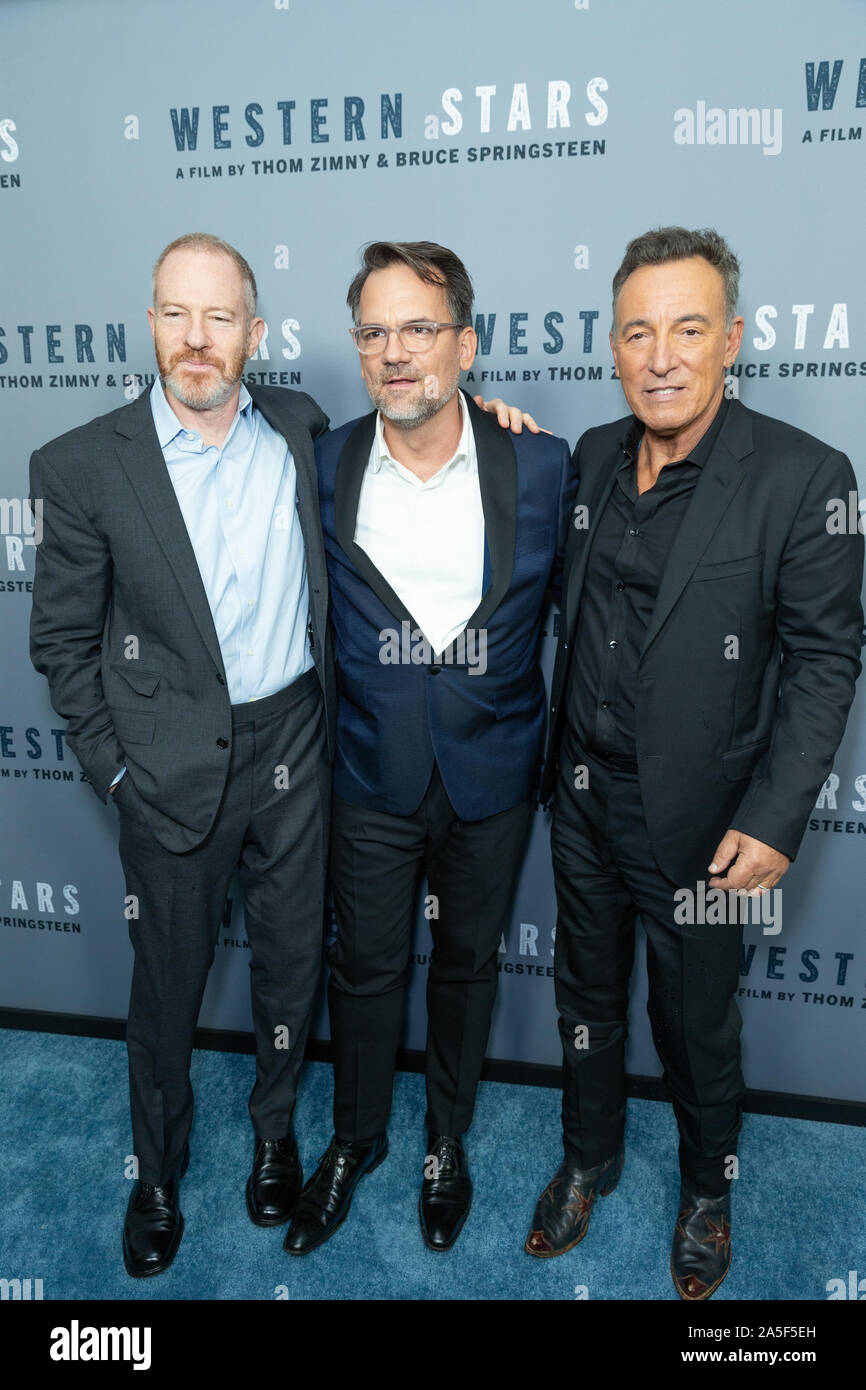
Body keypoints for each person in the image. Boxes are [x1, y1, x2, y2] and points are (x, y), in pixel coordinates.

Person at [29, 231, 530, 1278]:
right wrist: (118, 773)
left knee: (295, 972)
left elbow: (432, 428)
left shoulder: (303, 431)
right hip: (167, 771)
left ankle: (274, 1136)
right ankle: (157, 1175)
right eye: (176, 313)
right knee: (167, 990)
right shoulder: (81, 465)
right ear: (153, 321)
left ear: (255, 333)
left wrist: (490, 419)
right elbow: (63, 645)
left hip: (300, 751)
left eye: (219, 317)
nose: (196, 339)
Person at [525, 226, 864, 1299]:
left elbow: (823, 659)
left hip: (709, 822)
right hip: (578, 797)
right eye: (636, 331)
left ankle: (704, 1189)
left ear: (732, 339)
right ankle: (588, 1158)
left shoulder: (803, 477)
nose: (659, 355)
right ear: (612, 345)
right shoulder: (585, 456)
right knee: (583, 992)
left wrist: (772, 818)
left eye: (685, 328)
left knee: (694, 1017)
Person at [283, 241, 574, 1257]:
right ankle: (355, 1140)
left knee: (464, 967)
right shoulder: (318, 465)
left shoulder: (539, 460)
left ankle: (444, 1140)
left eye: (418, 328)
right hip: (368, 771)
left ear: (465, 341)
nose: (394, 353)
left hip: (491, 774)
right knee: (360, 969)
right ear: (357, 349)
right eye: (373, 332)